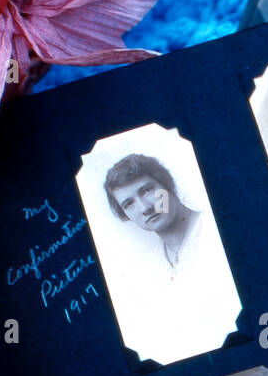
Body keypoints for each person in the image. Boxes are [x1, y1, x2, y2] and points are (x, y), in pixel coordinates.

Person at [101, 154, 241, 364]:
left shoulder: (219, 230)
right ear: (125, 215)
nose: (144, 207)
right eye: (129, 204)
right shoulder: (149, 270)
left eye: (147, 190)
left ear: (167, 185)